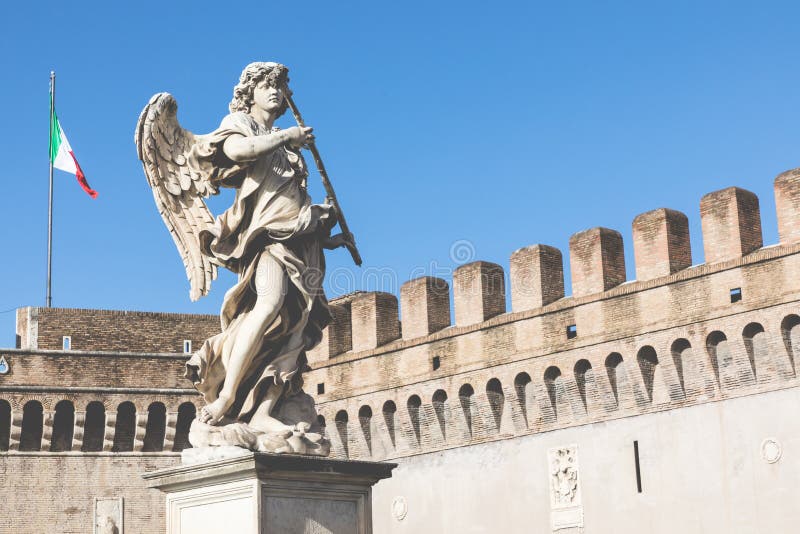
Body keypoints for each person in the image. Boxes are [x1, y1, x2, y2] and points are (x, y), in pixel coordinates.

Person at [184, 62, 348, 433]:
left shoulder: (289, 144)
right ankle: (227, 396)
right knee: (269, 303)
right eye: (266, 85)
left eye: (280, 86)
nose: (276, 91)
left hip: (303, 242)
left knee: (296, 331)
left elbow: (289, 197)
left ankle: (264, 410)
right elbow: (240, 151)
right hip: (268, 239)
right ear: (249, 93)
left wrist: (329, 237)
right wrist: (286, 138)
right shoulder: (242, 126)